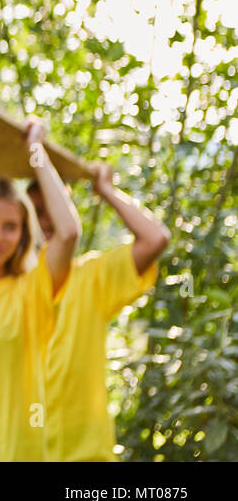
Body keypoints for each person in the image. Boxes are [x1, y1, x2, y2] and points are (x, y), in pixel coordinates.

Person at [0, 118, 79, 461]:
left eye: (10, 227)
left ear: (24, 234)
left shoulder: (31, 291)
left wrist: (35, 151)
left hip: (14, 453)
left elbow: (67, 233)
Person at [34, 162, 168, 461]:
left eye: (51, 209)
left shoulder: (91, 277)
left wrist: (106, 190)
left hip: (85, 455)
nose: (43, 221)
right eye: (34, 212)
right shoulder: (4, 284)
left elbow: (155, 239)